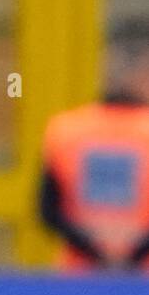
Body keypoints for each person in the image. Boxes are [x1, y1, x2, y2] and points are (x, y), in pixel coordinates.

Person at [40, 21, 149, 272]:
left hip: (82, 276)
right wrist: (132, 254)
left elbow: (48, 211)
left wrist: (96, 250)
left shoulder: (65, 129)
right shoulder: (65, 129)